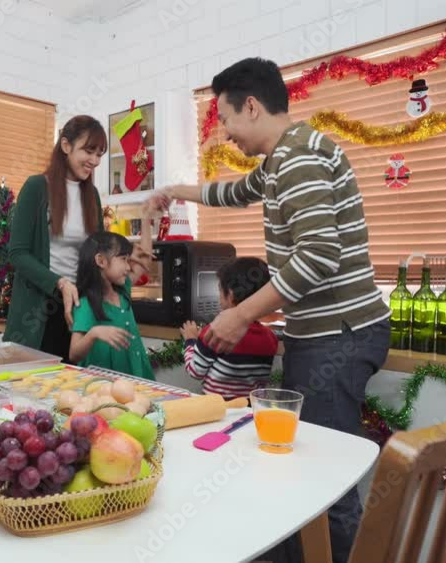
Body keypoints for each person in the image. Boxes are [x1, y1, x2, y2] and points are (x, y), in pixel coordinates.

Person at [150, 58, 390, 563]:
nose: (224, 132)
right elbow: (234, 191)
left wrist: (240, 315)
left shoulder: (299, 157)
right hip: (328, 334)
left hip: (337, 336)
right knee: (314, 467)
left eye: (225, 118)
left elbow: (318, 255)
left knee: (327, 478)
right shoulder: (284, 158)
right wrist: (175, 191)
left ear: (252, 106)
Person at [3, 116, 107, 362]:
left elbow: (99, 252)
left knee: (72, 390)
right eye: (88, 150)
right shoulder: (37, 187)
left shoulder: (91, 195)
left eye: (99, 154)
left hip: (78, 311)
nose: (94, 160)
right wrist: (60, 283)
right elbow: (17, 253)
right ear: (66, 146)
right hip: (39, 311)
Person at [69, 209, 155, 379]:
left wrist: (146, 218)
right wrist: (94, 333)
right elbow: (74, 353)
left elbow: (145, 260)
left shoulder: (122, 291)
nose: (128, 267)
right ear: (101, 260)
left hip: (137, 378)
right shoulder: (86, 303)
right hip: (104, 387)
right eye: (123, 259)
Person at [181, 257, 279, 401]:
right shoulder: (270, 338)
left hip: (218, 408)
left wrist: (190, 341)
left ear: (231, 295)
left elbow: (195, 371)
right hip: (250, 409)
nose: (219, 295)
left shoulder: (216, 332)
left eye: (220, 290)